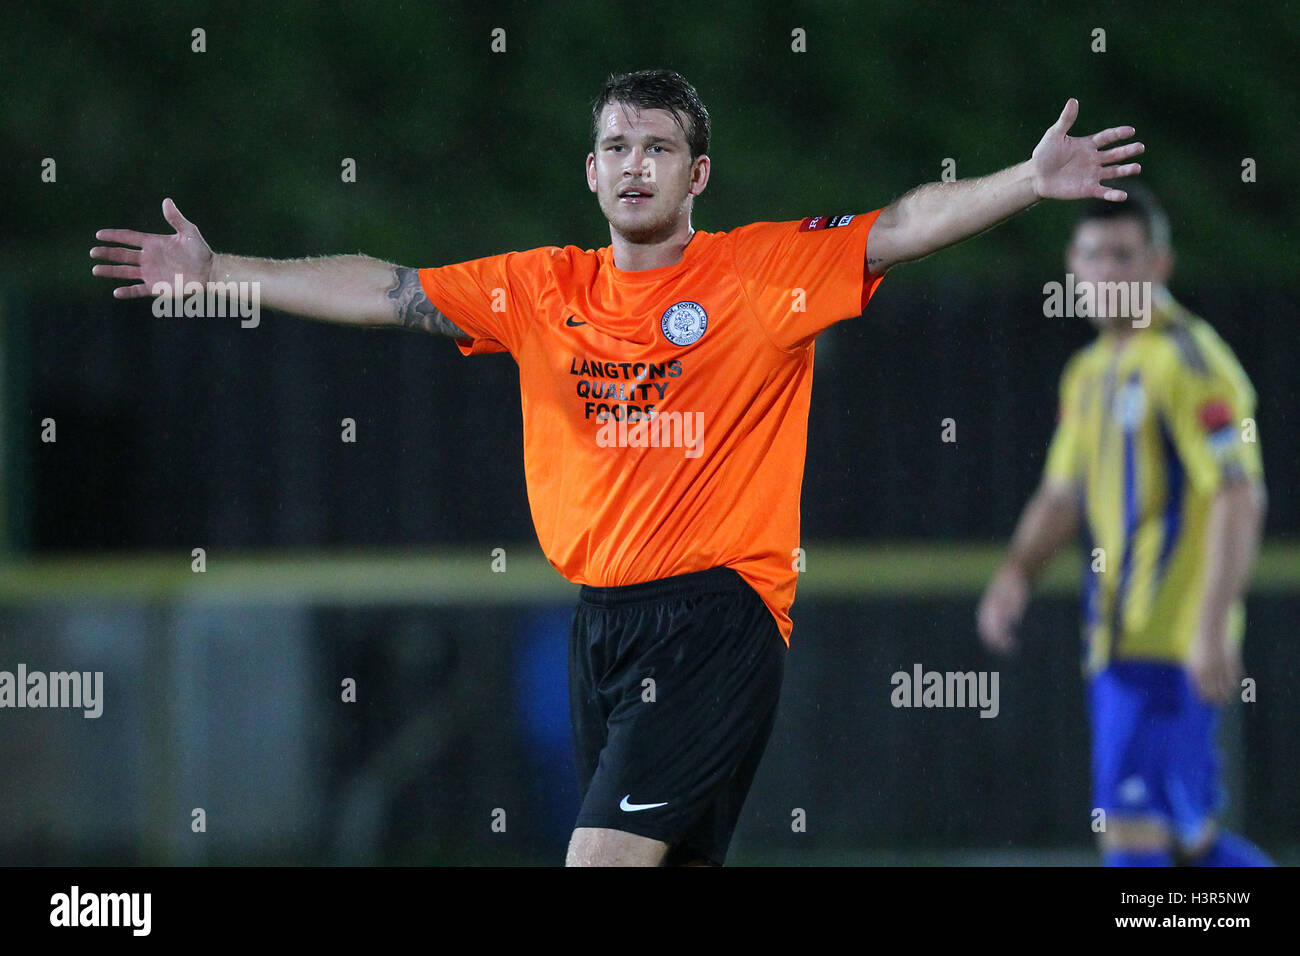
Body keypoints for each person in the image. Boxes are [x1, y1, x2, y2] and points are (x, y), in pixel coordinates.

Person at [91, 69, 1143, 866]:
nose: (635, 163)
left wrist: (1026, 180)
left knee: (597, 861)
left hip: (714, 617)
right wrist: (219, 272)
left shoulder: (754, 273)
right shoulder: (541, 288)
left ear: (697, 175)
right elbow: (388, 290)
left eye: (658, 146)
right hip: (600, 623)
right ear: (591, 171)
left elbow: (897, 229)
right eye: (616, 146)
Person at [977, 184, 1272, 867]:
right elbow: (1062, 493)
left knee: (1132, 832)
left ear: (1158, 265)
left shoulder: (1189, 361)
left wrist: (1209, 626)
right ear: (1071, 267)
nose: (1106, 272)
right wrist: (1017, 572)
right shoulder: (1087, 373)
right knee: (1186, 841)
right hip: (1114, 644)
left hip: (1169, 644)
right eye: (1092, 256)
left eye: (1123, 256)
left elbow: (1238, 495)